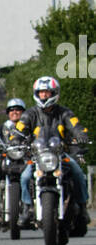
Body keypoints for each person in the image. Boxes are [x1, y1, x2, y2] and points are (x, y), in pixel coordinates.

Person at [18, 76, 90, 224]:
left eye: (47, 92)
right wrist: (15, 140)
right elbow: (19, 131)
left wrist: (81, 134)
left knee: (78, 173)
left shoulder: (64, 113)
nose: (44, 95)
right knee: (25, 177)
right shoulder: (30, 114)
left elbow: (75, 125)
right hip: (37, 155)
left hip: (60, 154)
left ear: (54, 93)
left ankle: (83, 208)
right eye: (41, 92)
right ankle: (27, 208)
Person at [0, 99, 26, 210]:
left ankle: (34, 202)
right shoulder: (3, 128)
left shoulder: (28, 126)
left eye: (18, 110)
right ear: (8, 113)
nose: (14, 112)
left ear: (23, 112)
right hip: (7, 158)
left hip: (25, 159)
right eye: (11, 110)